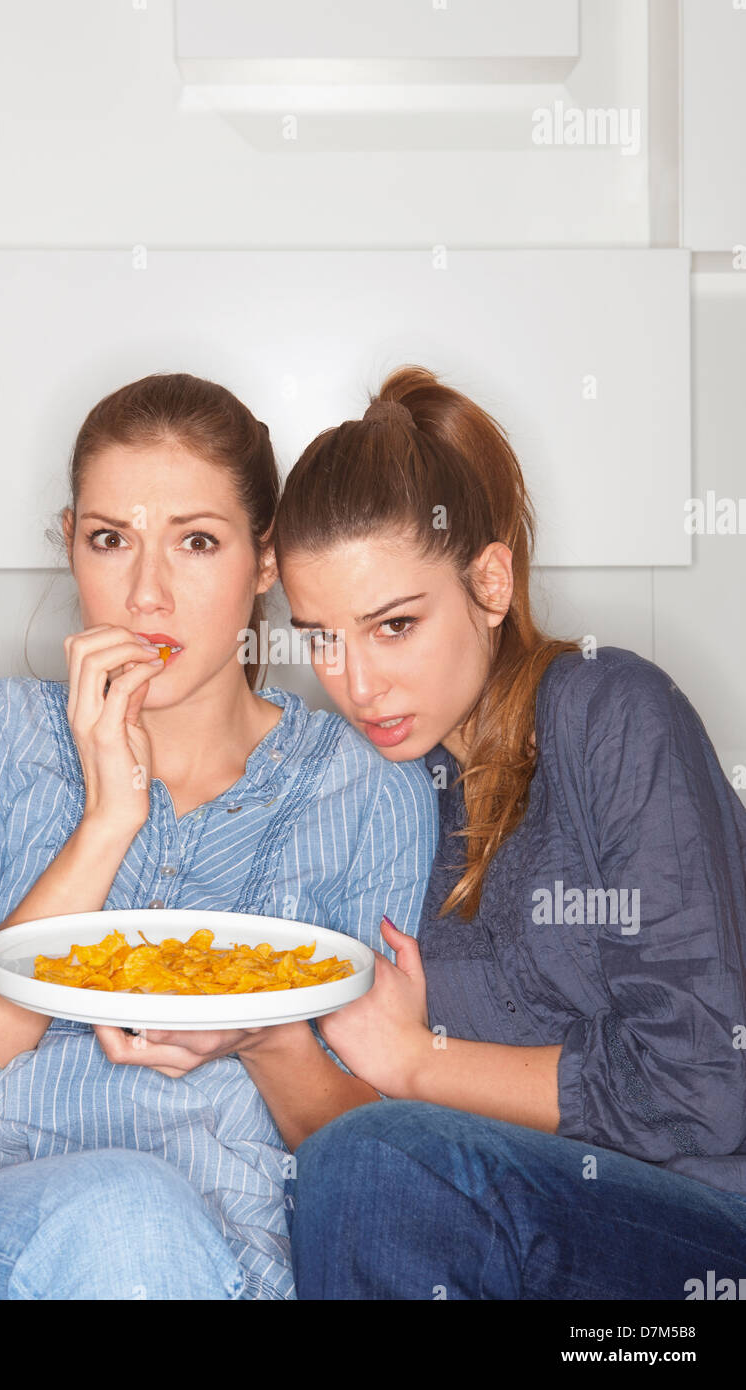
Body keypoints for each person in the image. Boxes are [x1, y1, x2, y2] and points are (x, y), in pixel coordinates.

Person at [0, 372, 436, 1302]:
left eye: (196, 542)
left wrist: (267, 1037)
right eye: (110, 540)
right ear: (70, 542)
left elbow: (369, 1158)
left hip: (231, 1261)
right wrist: (107, 821)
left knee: (140, 1217)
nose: (147, 596)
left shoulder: (368, 791)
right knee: (125, 1207)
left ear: (265, 561)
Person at [271, 365, 746, 1300]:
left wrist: (421, 1062)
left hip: (710, 1229)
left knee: (374, 1168)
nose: (356, 684)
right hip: (529, 1244)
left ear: (490, 583)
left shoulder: (611, 712)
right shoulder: (387, 796)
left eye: (393, 626)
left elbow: (700, 1089)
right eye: (321, 636)